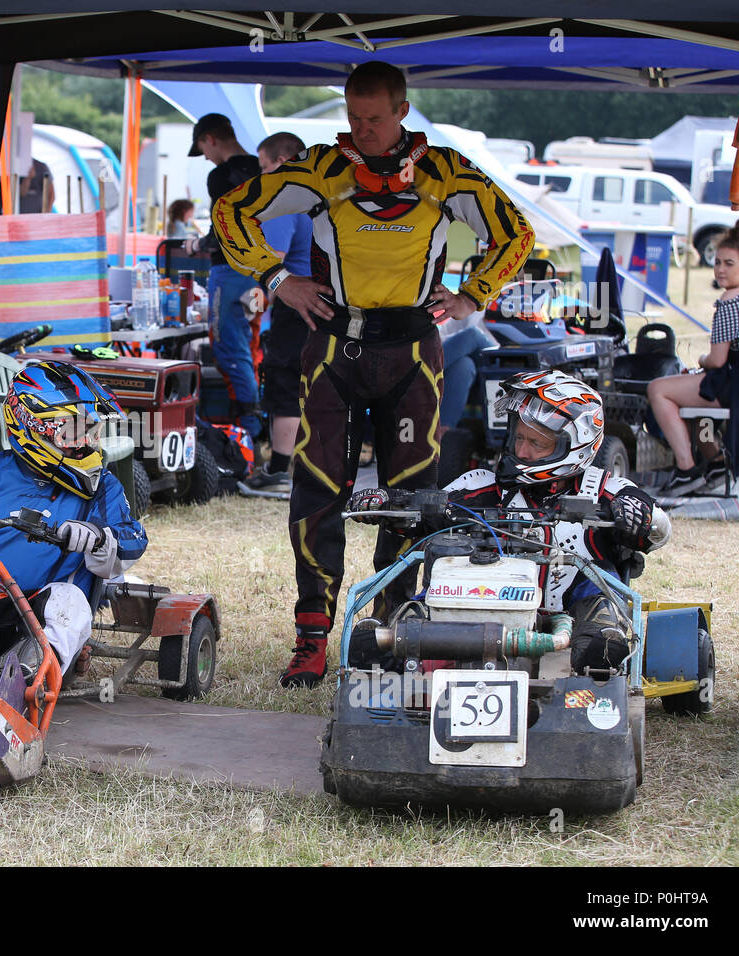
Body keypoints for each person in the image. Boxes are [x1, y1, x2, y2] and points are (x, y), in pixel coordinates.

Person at [214, 61, 535, 686]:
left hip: (414, 352)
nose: (363, 131)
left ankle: (394, 631)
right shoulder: (321, 168)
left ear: (403, 111)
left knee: (412, 499)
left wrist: (474, 294)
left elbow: (515, 232)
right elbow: (232, 213)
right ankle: (312, 636)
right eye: (354, 119)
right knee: (316, 492)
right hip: (334, 349)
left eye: (375, 119)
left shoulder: (444, 172)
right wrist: (279, 279)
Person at [348, 370, 671, 674]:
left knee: (601, 625)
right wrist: (389, 504)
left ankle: (601, 646)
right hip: (481, 606)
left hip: (575, 611)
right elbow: (431, 511)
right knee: (388, 632)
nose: (523, 450)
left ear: (577, 444)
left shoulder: (608, 490)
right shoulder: (485, 485)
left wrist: (634, 517)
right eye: (519, 439)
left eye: (538, 443)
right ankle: (397, 640)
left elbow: (656, 527)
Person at [0, 362, 148, 677]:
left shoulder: (102, 488)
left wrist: (98, 537)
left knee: (71, 602)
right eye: (74, 432)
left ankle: (25, 684)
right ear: (33, 428)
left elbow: (133, 537)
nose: (88, 443)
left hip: (33, 621)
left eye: (91, 430)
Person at [647, 220, 739, 494]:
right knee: (699, 391)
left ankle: (686, 470)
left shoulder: (730, 302)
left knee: (659, 389)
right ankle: (716, 460)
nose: (720, 269)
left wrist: (700, 359)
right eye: (717, 262)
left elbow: (717, 361)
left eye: (728, 263)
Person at [240, 131, 312, 497]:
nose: (261, 175)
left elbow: (273, 261)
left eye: (263, 167)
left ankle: (279, 469)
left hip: (296, 302)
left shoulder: (286, 202)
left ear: (282, 163)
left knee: (285, 380)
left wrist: (249, 302)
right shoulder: (322, 196)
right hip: (330, 304)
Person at [183, 113, 263, 439]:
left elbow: (223, 231)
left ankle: (245, 435)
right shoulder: (265, 168)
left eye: (202, 147)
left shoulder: (221, 176)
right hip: (263, 274)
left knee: (230, 350)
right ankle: (256, 429)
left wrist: (194, 246)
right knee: (251, 349)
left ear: (211, 139)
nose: (204, 156)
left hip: (230, 271)